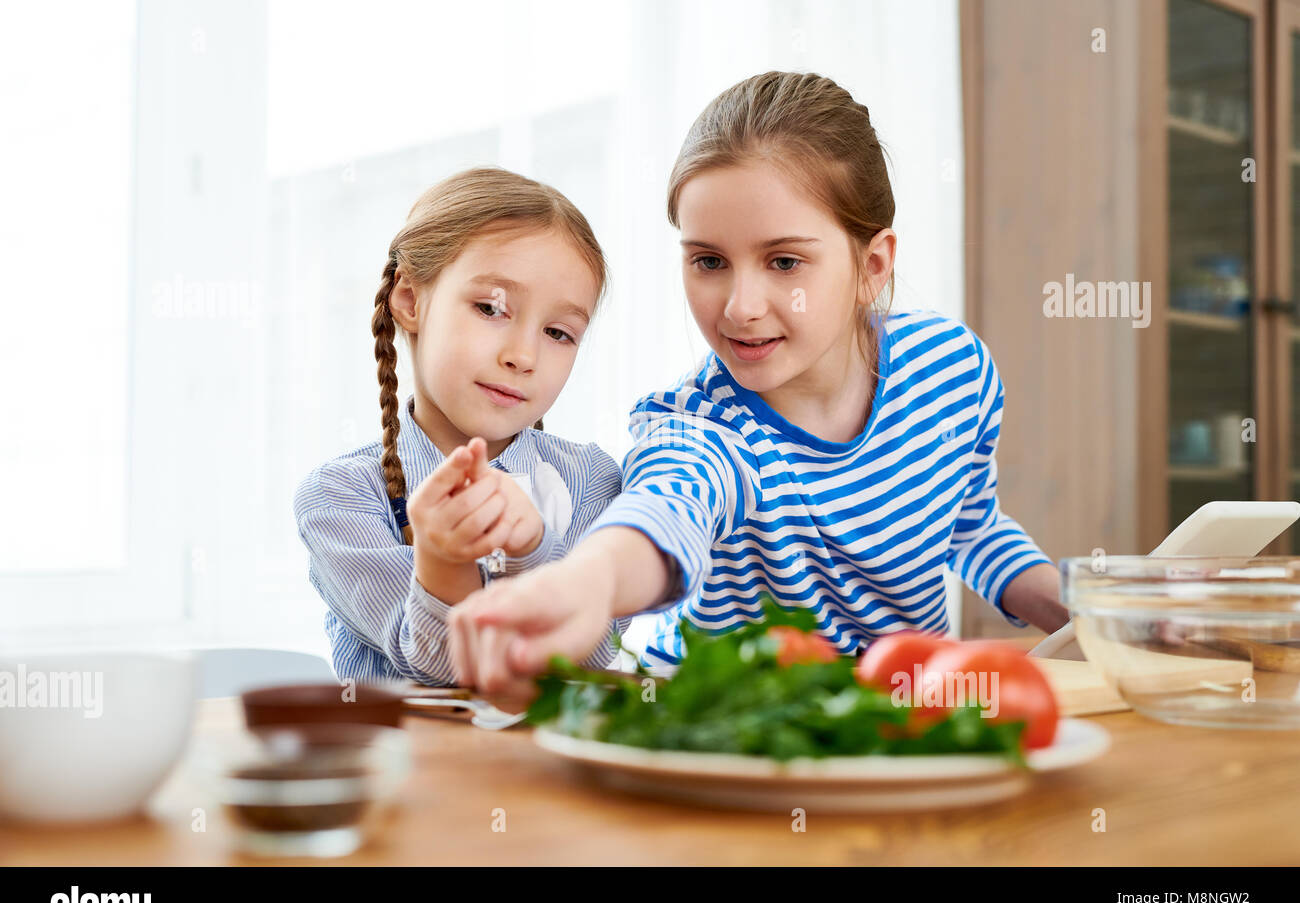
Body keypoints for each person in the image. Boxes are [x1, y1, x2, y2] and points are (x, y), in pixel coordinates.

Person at [447, 72, 1069, 706]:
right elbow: (664, 512)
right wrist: (587, 582)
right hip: (726, 736)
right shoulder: (696, 426)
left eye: (784, 262)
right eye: (709, 262)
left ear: (871, 266)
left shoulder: (954, 371)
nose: (740, 308)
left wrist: (1082, 609)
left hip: (896, 731)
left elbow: (969, 525)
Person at [294, 167, 627, 685]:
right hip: (414, 765)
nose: (522, 355)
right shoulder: (341, 497)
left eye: (559, 332)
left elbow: (587, 654)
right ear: (409, 300)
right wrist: (443, 560)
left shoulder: (592, 481)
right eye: (491, 308)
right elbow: (443, 664)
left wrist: (531, 548)